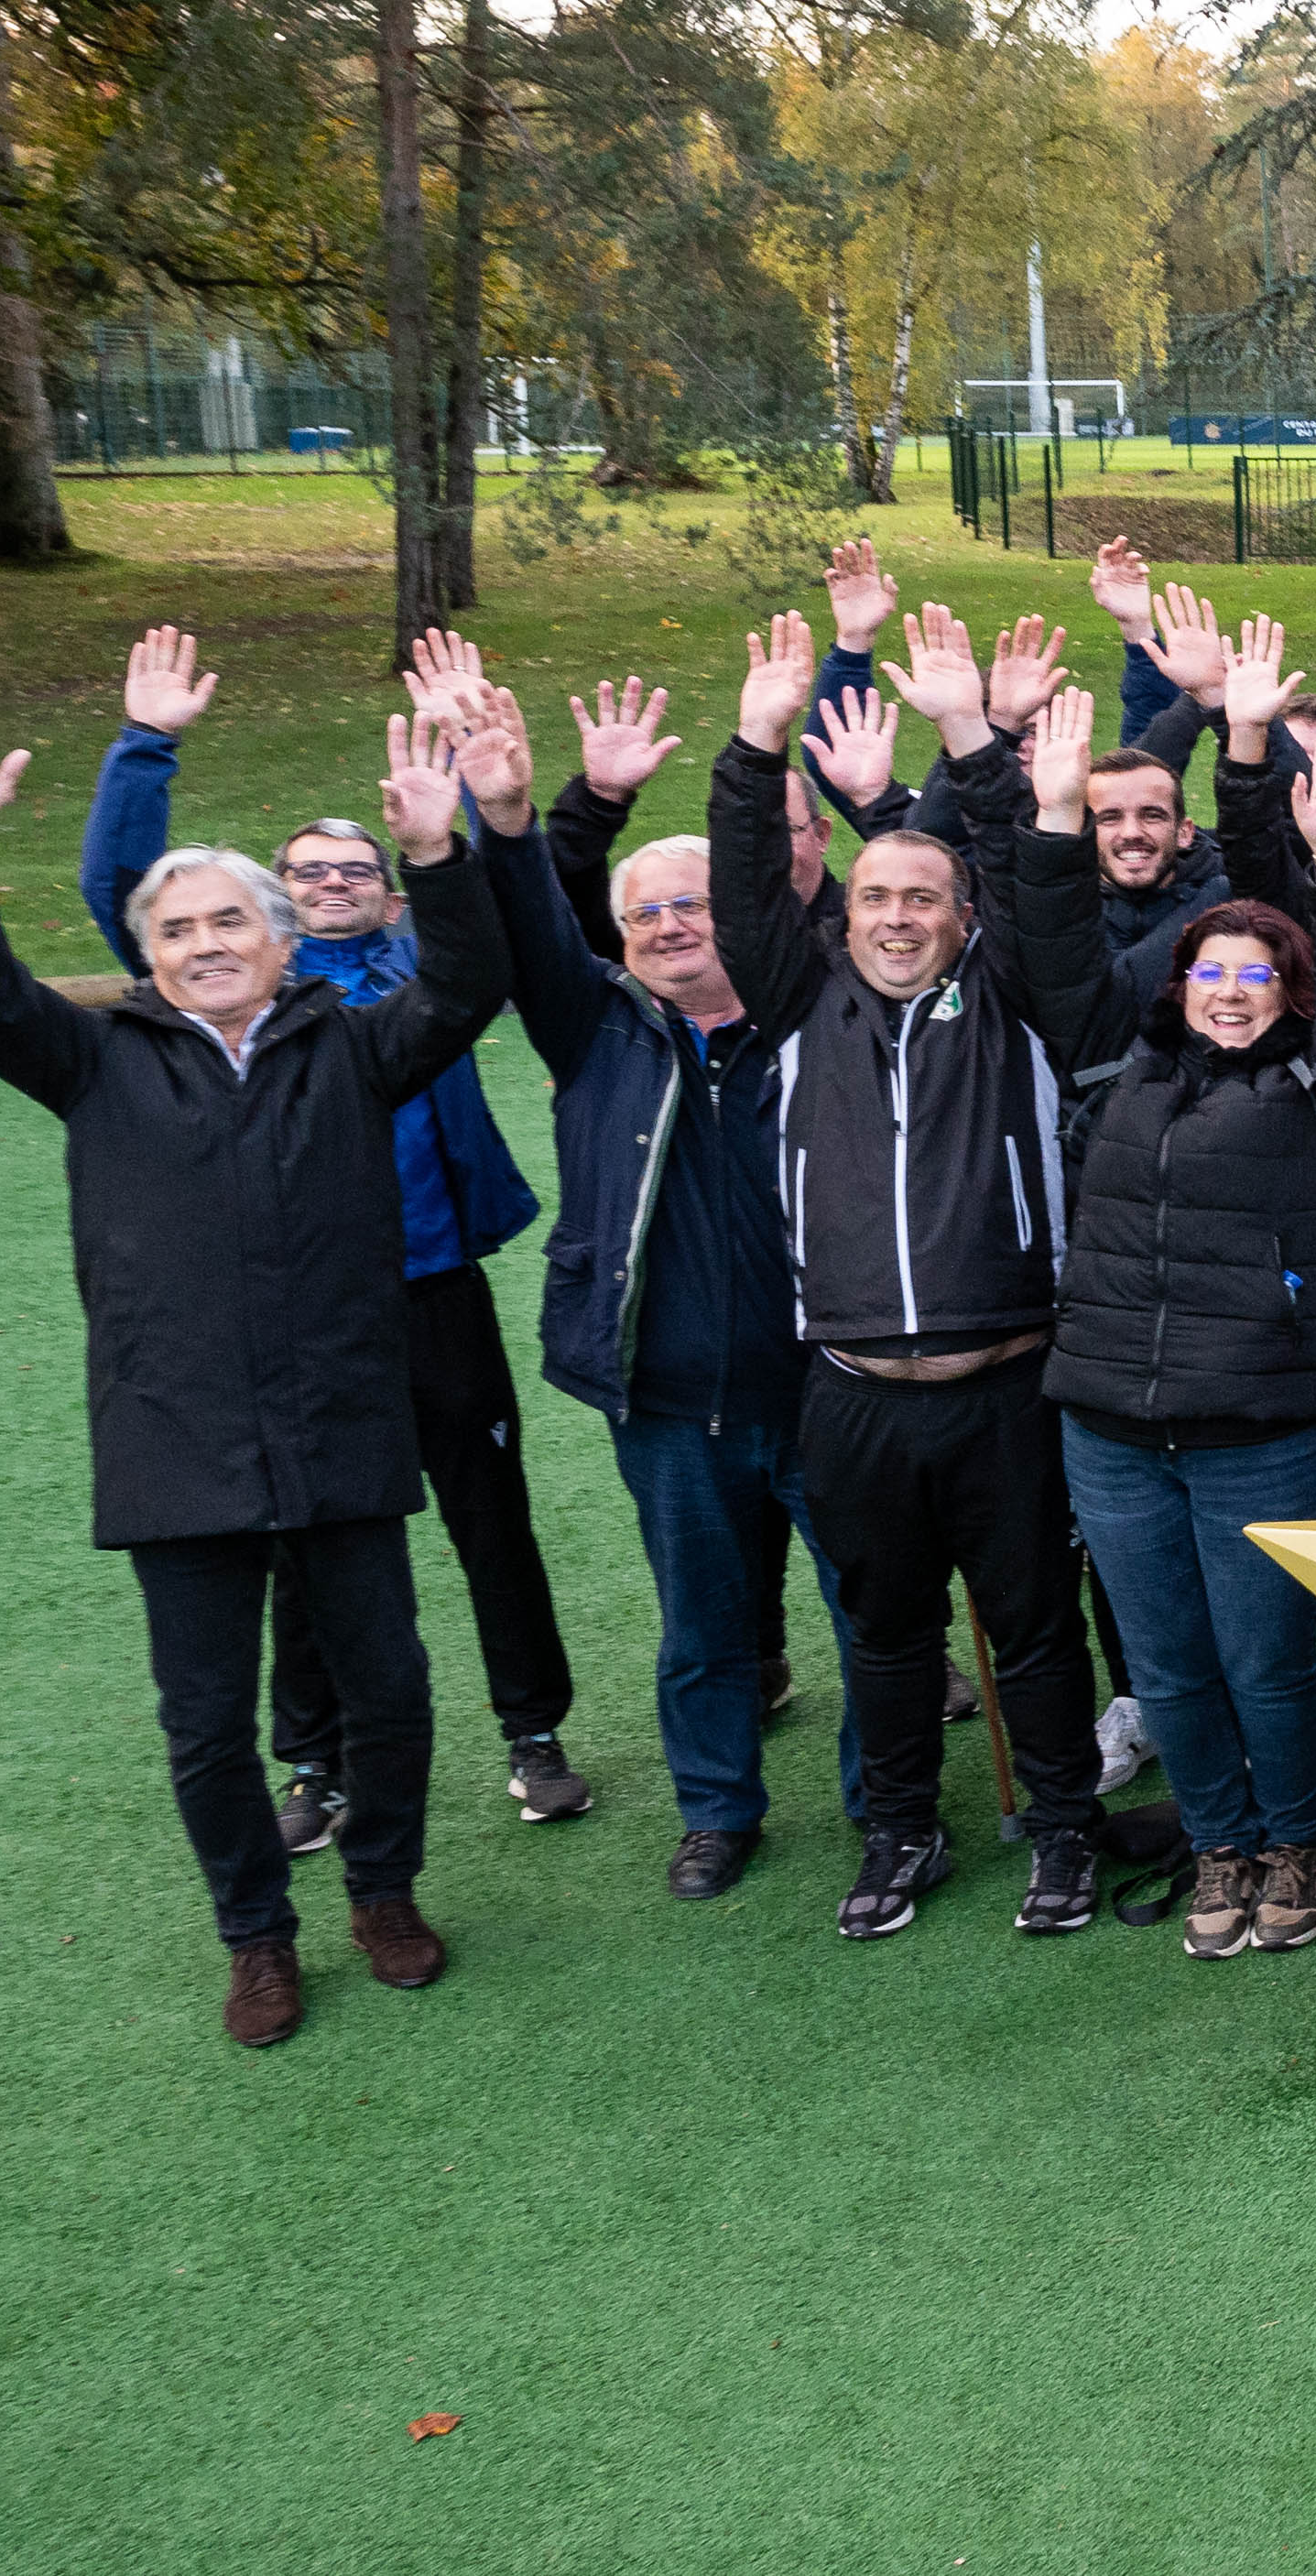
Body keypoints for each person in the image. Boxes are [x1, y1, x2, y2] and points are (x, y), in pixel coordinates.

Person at [0, 692, 508, 2043]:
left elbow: (467, 984)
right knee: (205, 1719)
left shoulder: (353, 1049)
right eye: (175, 928)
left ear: (283, 943)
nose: (204, 943)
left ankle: (385, 1892)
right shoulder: (92, 1058)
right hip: (174, 1441)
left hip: (342, 1424)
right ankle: (256, 1935)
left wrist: (437, 856)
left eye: (229, 919)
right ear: (147, 956)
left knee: (389, 1688)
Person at [81, 626, 584, 1835]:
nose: (333, 881)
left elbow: (483, 940)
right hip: (299, 1317)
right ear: (275, 901)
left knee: (490, 1524)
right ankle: (315, 1757)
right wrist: (144, 749)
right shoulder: (237, 991)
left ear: (389, 885)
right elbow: (121, 897)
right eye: (306, 872)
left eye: (356, 866)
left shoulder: (421, 978)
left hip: (431, 1289)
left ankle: (534, 1730)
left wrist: (465, 783)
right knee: (305, 1536)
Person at [710, 614, 1112, 1944]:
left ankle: (1064, 1830)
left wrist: (966, 739)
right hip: (852, 1386)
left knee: (1035, 1627)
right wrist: (753, 742)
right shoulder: (793, 999)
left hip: (1003, 1381)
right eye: (875, 895)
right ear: (847, 913)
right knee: (882, 1635)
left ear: (961, 917)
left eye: (922, 897)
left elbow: (1032, 876)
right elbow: (743, 885)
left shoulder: (1012, 996)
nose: (895, 915)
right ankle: (902, 1832)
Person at [1014, 708, 1316, 1963]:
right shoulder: (1111, 1070)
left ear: (1284, 992)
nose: (1232, 993)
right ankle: (1219, 1841)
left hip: (1266, 1424)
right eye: (1210, 972)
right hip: (1114, 1425)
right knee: (1170, 1666)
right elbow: (1059, 945)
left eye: (1256, 974)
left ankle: (1290, 1841)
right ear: (1177, 986)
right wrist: (1047, 818)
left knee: (1267, 1661)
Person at [476, 675, 854, 1897]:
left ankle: (884, 1801)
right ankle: (715, 1809)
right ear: (620, 932)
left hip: (823, 1382)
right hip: (668, 1394)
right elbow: (528, 920)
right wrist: (521, 815)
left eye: (695, 902)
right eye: (646, 912)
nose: (673, 924)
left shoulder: (815, 1022)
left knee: (869, 1607)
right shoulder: (593, 1029)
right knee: (702, 1627)